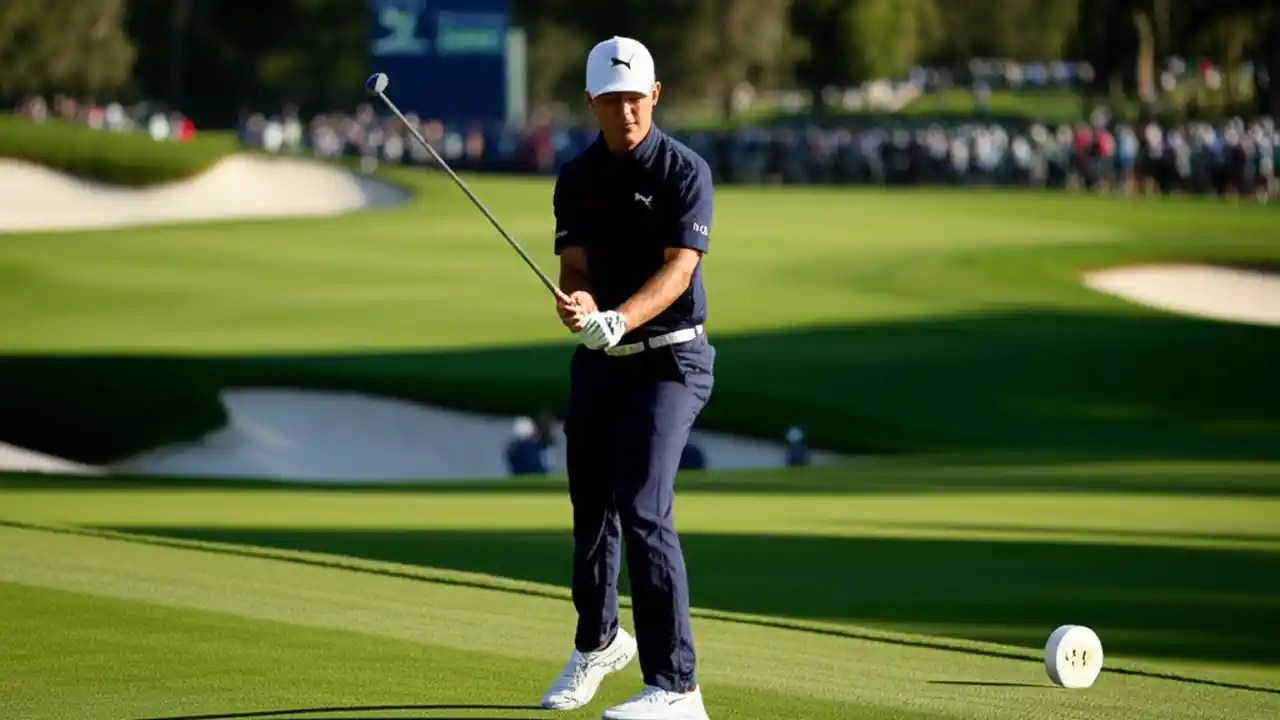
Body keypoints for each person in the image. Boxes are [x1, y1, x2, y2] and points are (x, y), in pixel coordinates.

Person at [540, 36, 716, 720]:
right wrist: (583, 306)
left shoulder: (683, 170)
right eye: (611, 101)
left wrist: (621, 315)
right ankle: (599, 643)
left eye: (635, 98)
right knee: (591, 511)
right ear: (591, 103)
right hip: (603, 363)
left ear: (656, 95)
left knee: (644, 503)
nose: (625, 112)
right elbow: (575, 270)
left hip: (673, 359)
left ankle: (677, 686)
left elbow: (680, 268)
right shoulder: (576, 178)